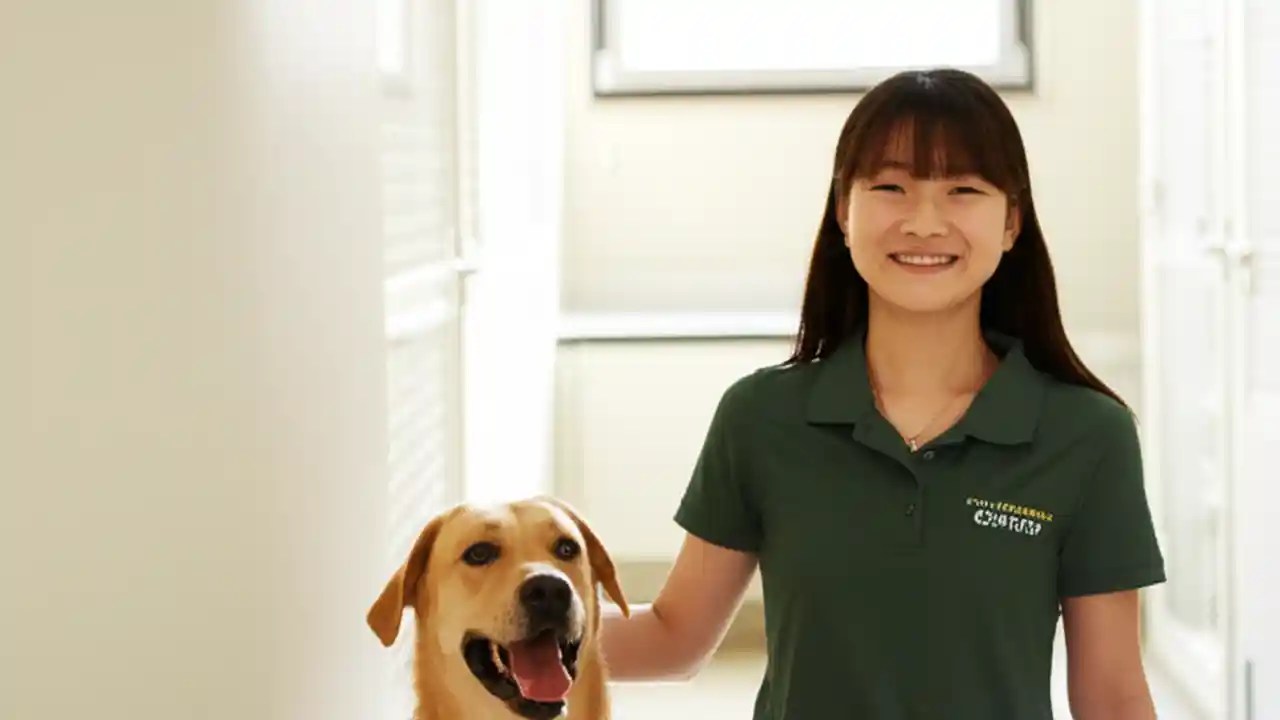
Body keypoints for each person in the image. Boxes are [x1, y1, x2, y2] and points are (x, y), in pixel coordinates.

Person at [598, 68, 1166, 719]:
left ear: (1012, 221)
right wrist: (490, 640)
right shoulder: (760, 418)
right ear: (844, 211)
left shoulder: (1087, 435)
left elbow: (1113, 696)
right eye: (891, 187)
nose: (924, 222)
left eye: (963, 190)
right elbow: (674, 638)